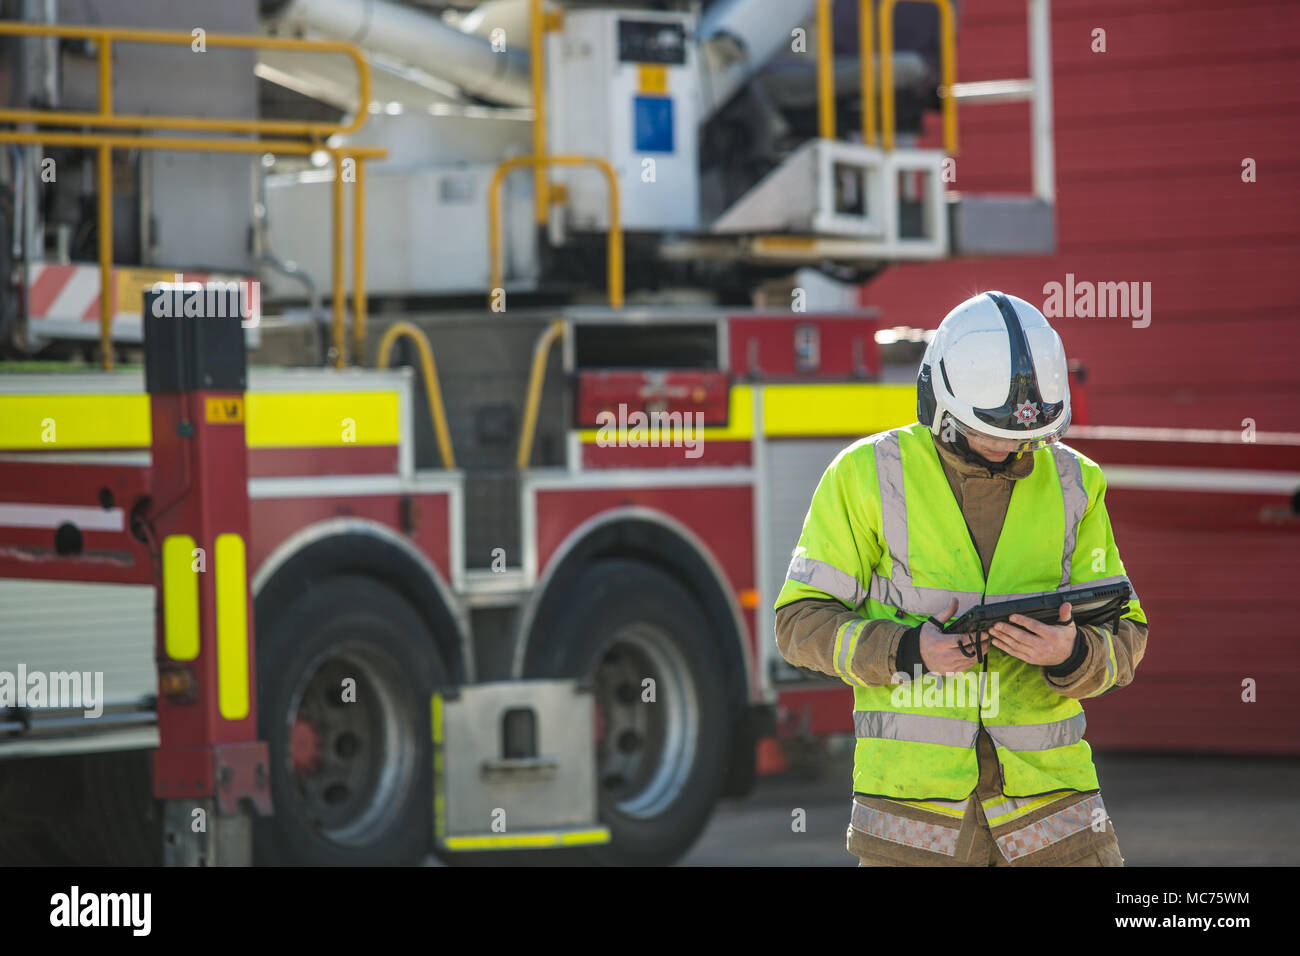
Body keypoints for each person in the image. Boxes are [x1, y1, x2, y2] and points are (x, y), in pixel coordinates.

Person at [774, 291, 1148, 867]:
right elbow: (797, 624)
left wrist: (1072, 653)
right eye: (990, 431)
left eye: (1025, 436)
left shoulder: (1077, 482)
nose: (1009, 448)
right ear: (941, 404)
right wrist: (906, 650)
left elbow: (1128, 635)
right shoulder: (866, 475)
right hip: (914, 818)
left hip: (1055, 810)